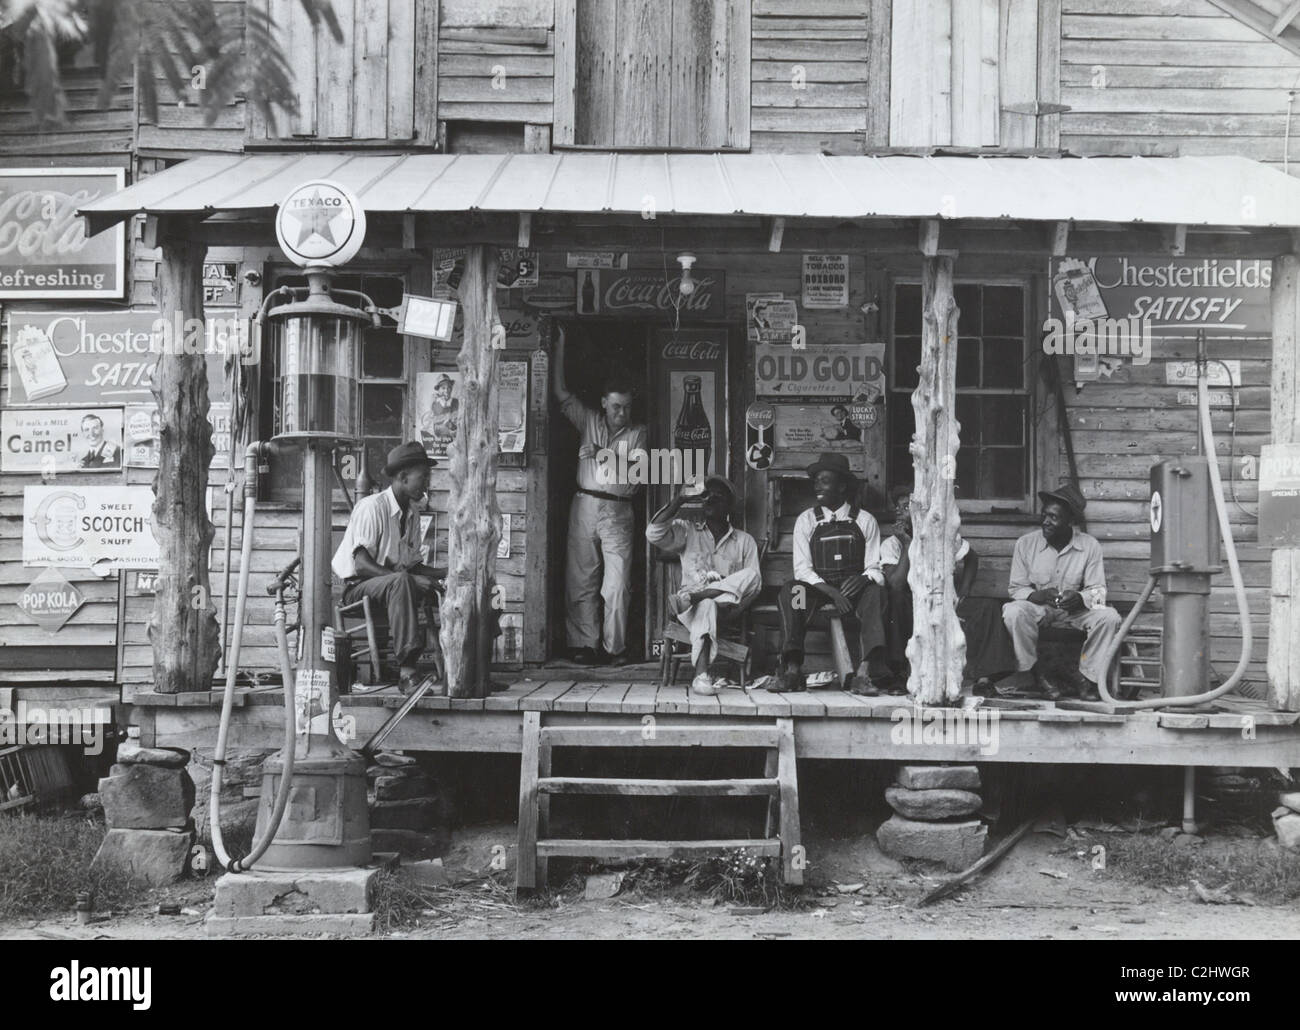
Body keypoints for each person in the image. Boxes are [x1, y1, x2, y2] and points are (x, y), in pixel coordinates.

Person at [552, 324, 648, 666]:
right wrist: (560, 344)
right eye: (617, 407)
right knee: (581, 579)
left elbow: (639, 471)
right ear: (604, 403)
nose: (622, 414)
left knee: (617, 584)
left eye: (627, 408)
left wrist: (601, 454)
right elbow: (560, 392)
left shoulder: (638, 432)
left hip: (618, 510)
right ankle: (585, 645)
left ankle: (614, 648)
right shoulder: (589, 420)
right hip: (585, 504)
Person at [773, 453, 892, 694]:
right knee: (793, 592)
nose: (817, 486)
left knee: (876, 593)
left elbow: (875, 568)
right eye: (816, 481)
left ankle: (863, 674)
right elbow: (802, 570)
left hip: (854, 593)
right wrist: (831, 593)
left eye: (825, 481)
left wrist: (863, 579)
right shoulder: (807, 520)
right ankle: (793, 670)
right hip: (818, 592)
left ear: (842, 486)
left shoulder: (865, 520)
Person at [332, 442, 445, 694]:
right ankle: (407, 673)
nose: (427, 483)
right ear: (403, 478)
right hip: (357, 589)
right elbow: (361, 565)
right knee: (402, 580)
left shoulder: (413, 513)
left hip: (393, 587)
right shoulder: (372, 506)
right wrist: (410, 579)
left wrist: (448, 573)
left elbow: (413, 566)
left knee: (459, 583)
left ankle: (469, 670)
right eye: (423, 477)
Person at [881, 485, 1017, 689]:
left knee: (988, 608)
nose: (898, 512)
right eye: (897, 508)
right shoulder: (891, 544)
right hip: (912, 606)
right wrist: (908, 544)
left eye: (905, 507)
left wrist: (964, 591)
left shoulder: (941, 536)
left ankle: (985, 679)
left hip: (943, 602)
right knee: (896, 601)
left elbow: (971, 558)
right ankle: (900, 674)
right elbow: (896, 584)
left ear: (921, 511)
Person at [1000, 483, 1121, 700]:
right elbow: (1016, 588)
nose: (1045, 521)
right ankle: (1036, 674)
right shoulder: (1025, 544)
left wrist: (1079, 598)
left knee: (1110, 617)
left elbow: (1098, 593)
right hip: (1040, 609)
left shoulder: (1090, 546)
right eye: (1044, 515)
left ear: (1070, 521)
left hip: (1076, 613)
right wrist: (1037, 595)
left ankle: (1087, 679)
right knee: (1013, 611)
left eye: (1053, 517)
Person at [646, 476, 761, 695]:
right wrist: (679, 499)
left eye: (718, 497)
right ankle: (701, 676)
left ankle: (699, 596)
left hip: (727, 608)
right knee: (707, 604)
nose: (710, 500)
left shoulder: (745, 541)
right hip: (691, 609)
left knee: (751, 575)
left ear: (729, 505)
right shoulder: (687, 531)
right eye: (706, 496)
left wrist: (727, 601)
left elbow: (754, 585)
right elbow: (653, 534)